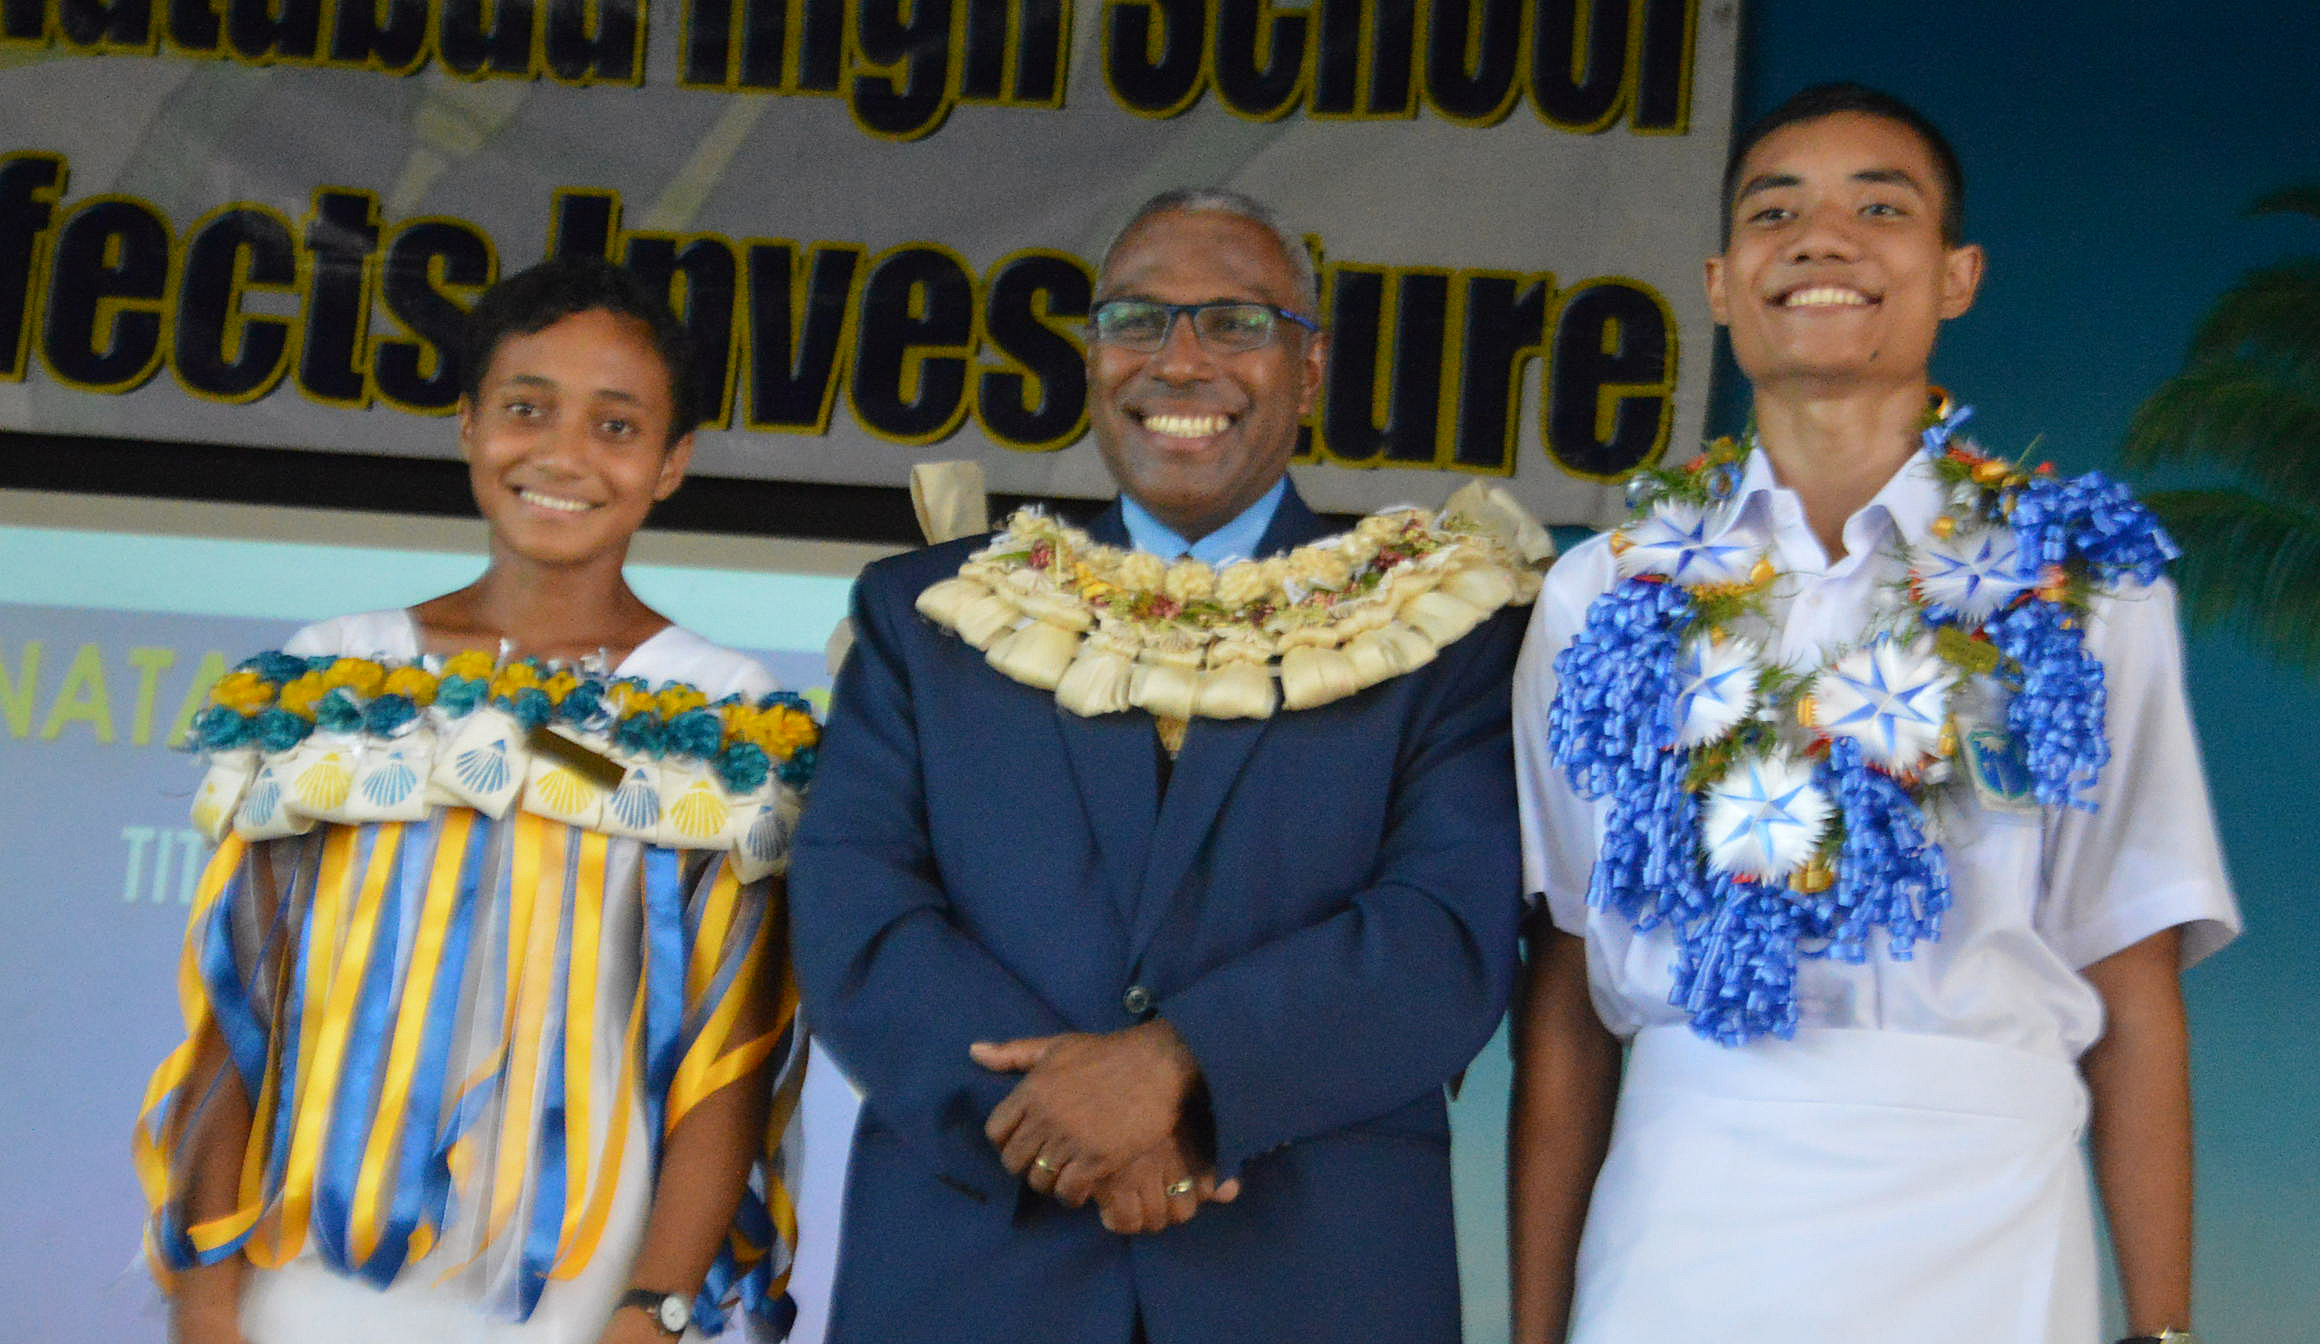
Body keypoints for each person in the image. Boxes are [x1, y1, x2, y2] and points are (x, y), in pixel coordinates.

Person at [1508, 84, 2240, 1344]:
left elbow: (2132, 973)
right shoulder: (1601, 594)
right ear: (1721, 281)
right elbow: (1570, 989)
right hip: (1691, 1206)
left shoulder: (2085, 589)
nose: (1821, 238)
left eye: (1879, 207)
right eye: (1774, 210)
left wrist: (2162, 1329)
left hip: (1991, 1212)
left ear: (1955, 275)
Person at [789, 187, 1535, 1344]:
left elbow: (1443, 932)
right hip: (972, 1281)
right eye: (1138, 321)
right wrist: (1066, 1130)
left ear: (1311, 365)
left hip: (1310, 1284)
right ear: (1092, 359)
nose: (1180, 362)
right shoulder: (932, 611)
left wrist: (1181, 1072)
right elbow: (857, 913)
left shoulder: (1443, 625)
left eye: (1236, 323)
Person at [137, 256, 817, 1344]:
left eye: (616, 425)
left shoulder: (726, 704)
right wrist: (206, 1285)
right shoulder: (335, 670)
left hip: (579, 1271)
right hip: (306, 1256)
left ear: (673, 462)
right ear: (465, 425)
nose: (560, 455)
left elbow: (727, 1054)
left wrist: (656, 1306)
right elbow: (243, 1009)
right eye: (525, 409)